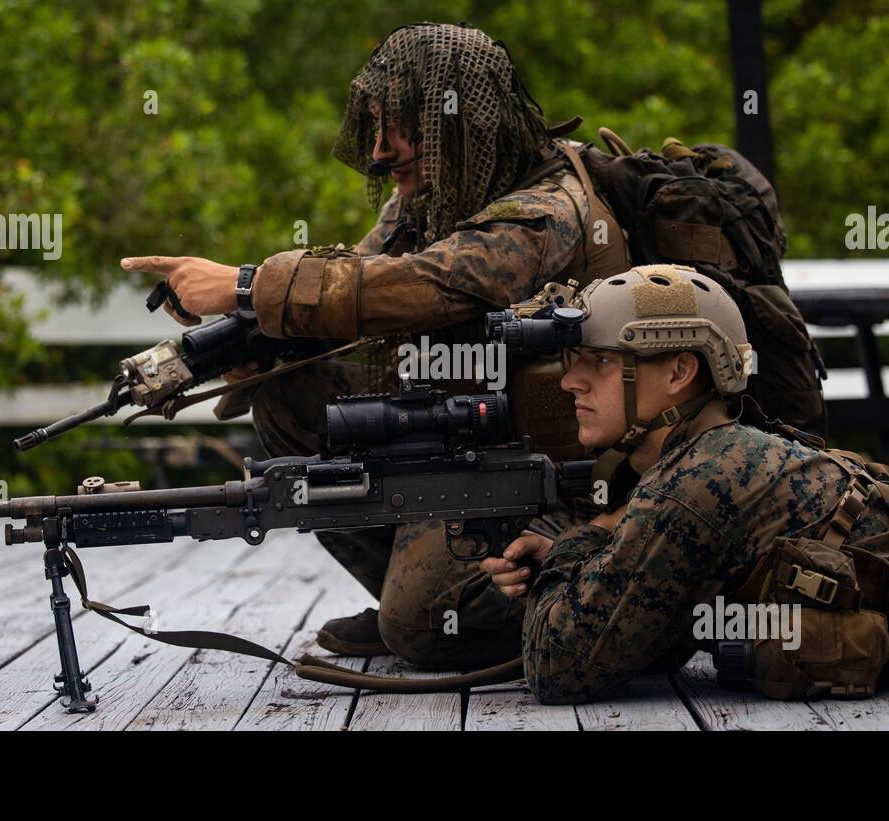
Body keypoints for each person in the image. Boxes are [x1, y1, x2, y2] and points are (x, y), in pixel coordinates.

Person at [120, 22, 633, 669]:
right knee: (287, 400)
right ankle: (422, 593)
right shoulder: (429, 200)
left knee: (419, 628)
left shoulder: (547, 207)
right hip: (465, 438)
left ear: (460, 124)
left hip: (557, 478)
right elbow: (355, 293)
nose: (381, 151)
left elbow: (424, 286)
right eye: (376, 126)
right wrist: (244, 336)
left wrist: (247, 284)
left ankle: (519, 606)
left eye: (400, 128)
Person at [482, 264, 889, 704]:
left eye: (600, 361)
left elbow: (560, 668)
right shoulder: (706, 459)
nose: (571, 383)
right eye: (574, 361)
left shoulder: (700, 484)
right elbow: (654, 632)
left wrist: (567, 546)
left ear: (679, 371)